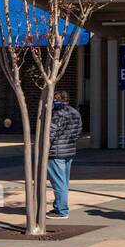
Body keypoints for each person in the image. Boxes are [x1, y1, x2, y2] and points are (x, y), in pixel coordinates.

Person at [47, 90, 82, 219]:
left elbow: (50, 133)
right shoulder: (75, 113)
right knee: (64, 181)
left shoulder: (56, 114)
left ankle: (62, 210)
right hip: (69, 150)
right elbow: (78, 132)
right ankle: (58, 206)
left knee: (58, 182)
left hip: (56, 152)